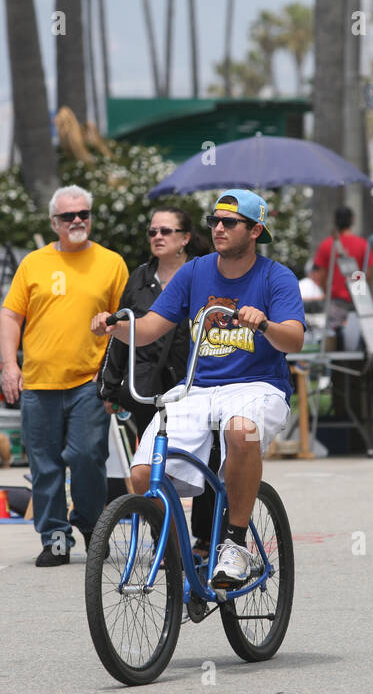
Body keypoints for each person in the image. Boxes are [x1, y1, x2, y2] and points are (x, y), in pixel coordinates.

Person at [91, 189, 306, 588]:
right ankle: (179, 564)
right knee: (141, 475)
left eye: (230, 222)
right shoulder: (195, 272)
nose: (219, 228)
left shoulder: (277, 277)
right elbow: (152, 326)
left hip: (258, 387)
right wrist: (114, 326)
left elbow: (293, 340)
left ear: (256, 230)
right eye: (214, 221)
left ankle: (235, 544)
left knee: (240, 431)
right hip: (199, 389)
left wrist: (264, 325)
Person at [0, 184, 128, 566]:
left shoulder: (111, 263)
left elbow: (126, 322)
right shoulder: (34, 263)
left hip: (90, 380)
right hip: (39, 383)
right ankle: (55, 537)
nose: (77, 221)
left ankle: (90, 525)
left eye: (83, 214)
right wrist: (10, 365)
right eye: (68, 216)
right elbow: (10, 315)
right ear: (54, 222)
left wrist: (116, 378)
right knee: (45, 463)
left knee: (88, 455)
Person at [95, 206, 218, 557]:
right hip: (149, 389)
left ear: (185, 238)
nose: (158, 237)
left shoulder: (203, 274)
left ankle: (207, 540)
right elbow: (124, 329)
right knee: (154, 465)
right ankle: (166, 541)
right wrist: (111, 384)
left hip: (197, 384)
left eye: (166, 231)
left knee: (206, 461)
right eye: (152, 232)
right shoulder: (139, 278)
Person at [310, 205, 373, 351]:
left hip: (334, 302)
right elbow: (368, 275)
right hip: (358, 301)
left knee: (334, 342)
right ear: (352, 220)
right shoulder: (362, 244)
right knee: (356, 344)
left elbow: (320, 275)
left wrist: (327, 291)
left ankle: (335, 372)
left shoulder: (327, 245)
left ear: (335, 221)